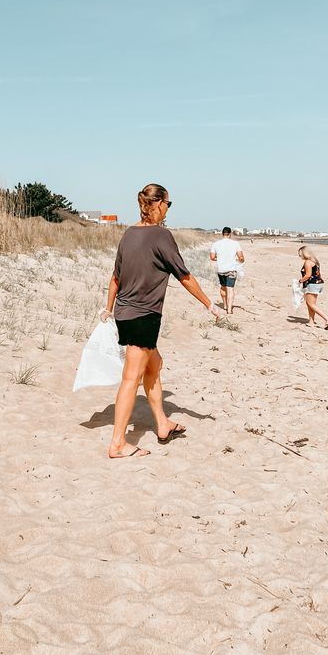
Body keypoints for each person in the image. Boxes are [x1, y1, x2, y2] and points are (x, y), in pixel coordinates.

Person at [101, 184, 222, 459]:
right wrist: (209, 304)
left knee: (154, 365)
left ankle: (162, 423)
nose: (168, 209)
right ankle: (118, 443)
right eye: (169, 204)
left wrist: (108, 309)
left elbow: (115, 278)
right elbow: (184, 275)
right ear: (157, 204)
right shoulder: (161, 236)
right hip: (143, 316)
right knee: (131, 377)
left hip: (125, 313)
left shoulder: (128, 234)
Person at [209, 227, 245, 314]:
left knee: (223, 287)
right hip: (231, 270)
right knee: (230, 289)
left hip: (221, 270)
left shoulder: (216, 244)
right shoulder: (235, 244)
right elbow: (241, 258)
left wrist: (220, 259)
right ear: (230, 234)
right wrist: (239, 260)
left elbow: (212, 257)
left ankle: (224, 305)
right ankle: (229, 310)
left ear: (222, 234)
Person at [298, 245, 328, 330]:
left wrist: (300, 281)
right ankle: (311, 322)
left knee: (311, 304)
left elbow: (308, 275)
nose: (299, 256)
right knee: (309, 304)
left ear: (304, 253)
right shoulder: (314, 261)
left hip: (312, 284)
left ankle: (327, 319)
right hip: (318, 283)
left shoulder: (307, 262)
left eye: (300, 254)